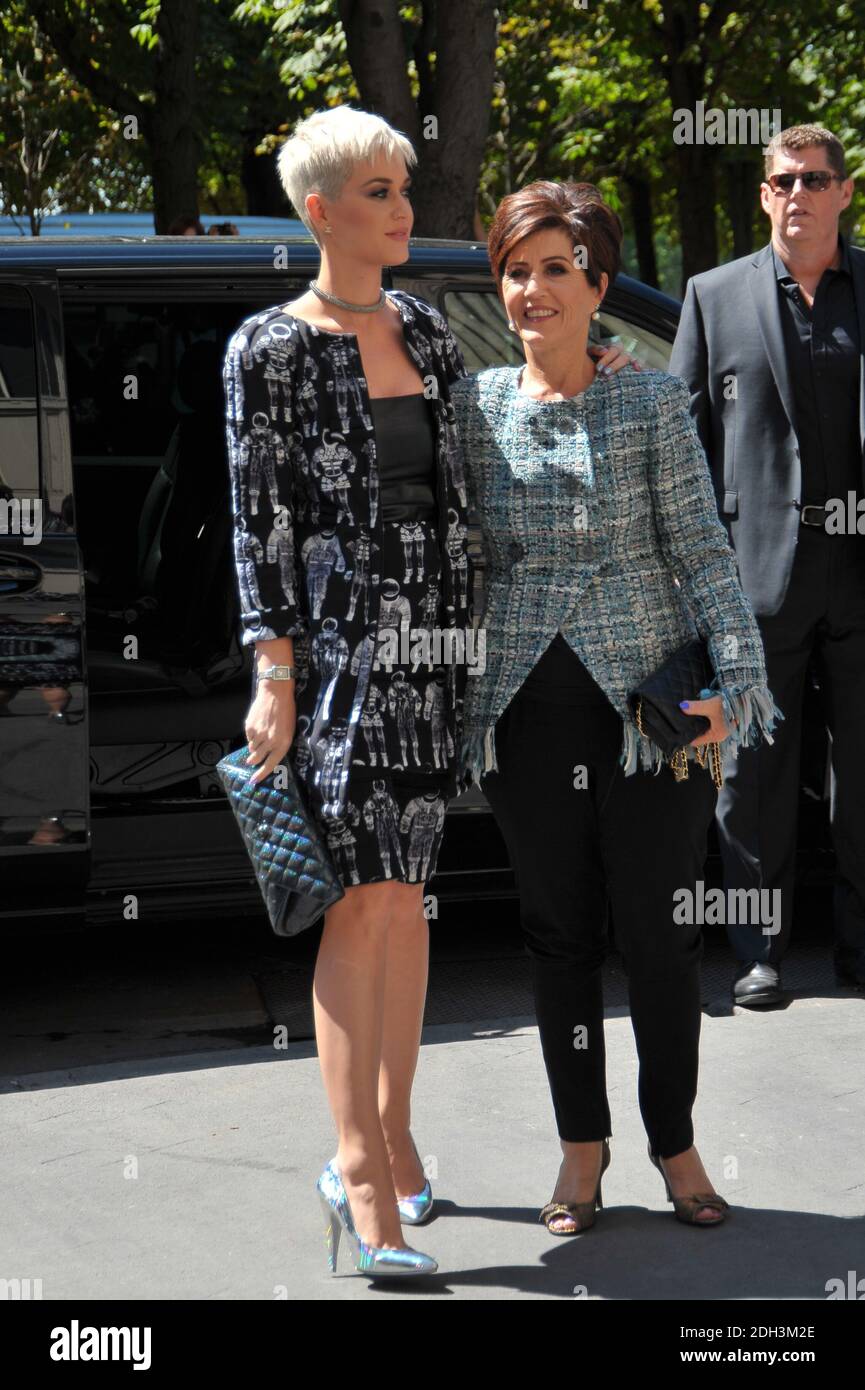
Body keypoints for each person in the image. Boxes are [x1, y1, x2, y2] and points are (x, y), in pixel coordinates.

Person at [223, 106, 639, 1280]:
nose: (402, 208)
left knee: (404, 901)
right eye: (375, 191)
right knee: (356, 907)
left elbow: (493, 445)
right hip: (342, 656)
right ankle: (354, 1169)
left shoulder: (421, 324)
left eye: (403, 187)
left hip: (440, 650)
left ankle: (398, 1134)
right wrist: (274, 672)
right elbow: (264, 526)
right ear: (318, 211)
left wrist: (587, 364)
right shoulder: (267, 347)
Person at [452, 180, 781, 1234]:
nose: (533, 288)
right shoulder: (475, 407)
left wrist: (735, 685)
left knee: (659, 938)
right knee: (558, 938)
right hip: (524, 715)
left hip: (649, 721)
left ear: (597, 283)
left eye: (556, 268)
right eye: (516, 270)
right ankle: (580, 1150)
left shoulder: (646, 402)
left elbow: (701, 555)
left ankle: (675, 1142)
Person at [670, 124, 865, 1005]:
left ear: (844, 192)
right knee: (752, 774)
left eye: (814, 180)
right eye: (782, 181)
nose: (798, 195)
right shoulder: (714, 296)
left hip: (860, 573)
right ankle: (759, 952)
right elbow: (682, 445)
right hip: (756, 577)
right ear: (763, 195)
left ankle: (860, 947)